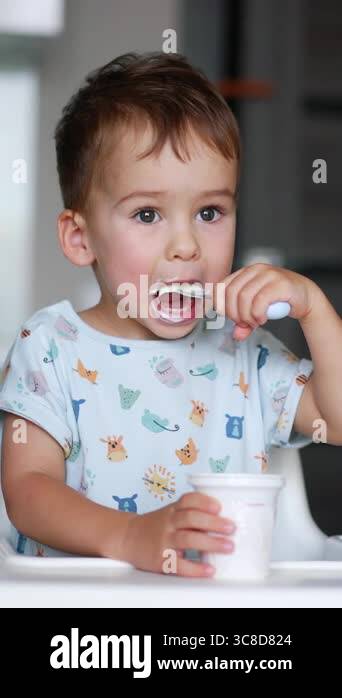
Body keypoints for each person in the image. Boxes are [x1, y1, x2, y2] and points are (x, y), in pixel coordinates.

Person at [1, 52, 342, 576]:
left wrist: (315, 310)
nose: (186, 245)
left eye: (210, 212)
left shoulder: (240, 352)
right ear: (80, 236)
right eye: (147, 214)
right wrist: (132, 536)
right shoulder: (51, 346)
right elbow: (27, 491)